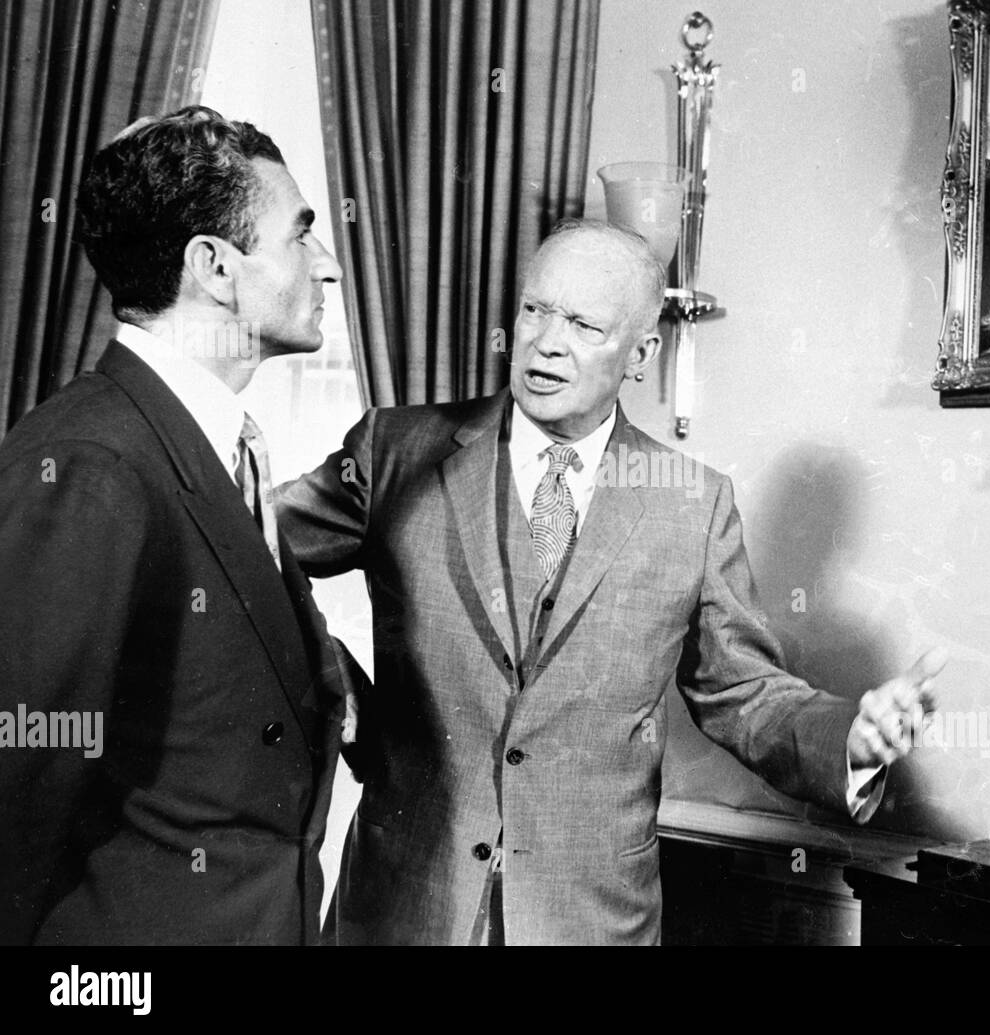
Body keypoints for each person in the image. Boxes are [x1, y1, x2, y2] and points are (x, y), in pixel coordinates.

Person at [278, 219, 946, 944]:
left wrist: (850, 738)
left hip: (590, 920)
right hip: (406, 906)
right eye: (534, 310)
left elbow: (744, 693)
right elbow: (235, 547)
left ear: (641, 354)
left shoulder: (692, 504)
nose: (546, 341)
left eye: (584, 325)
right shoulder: (396, 451)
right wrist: (330, 674)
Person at [0, 106, 356, 945]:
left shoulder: (208, 442)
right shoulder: (89, 463)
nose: (328, 264)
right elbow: (16, 783)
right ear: (215, 267)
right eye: (300, 234)